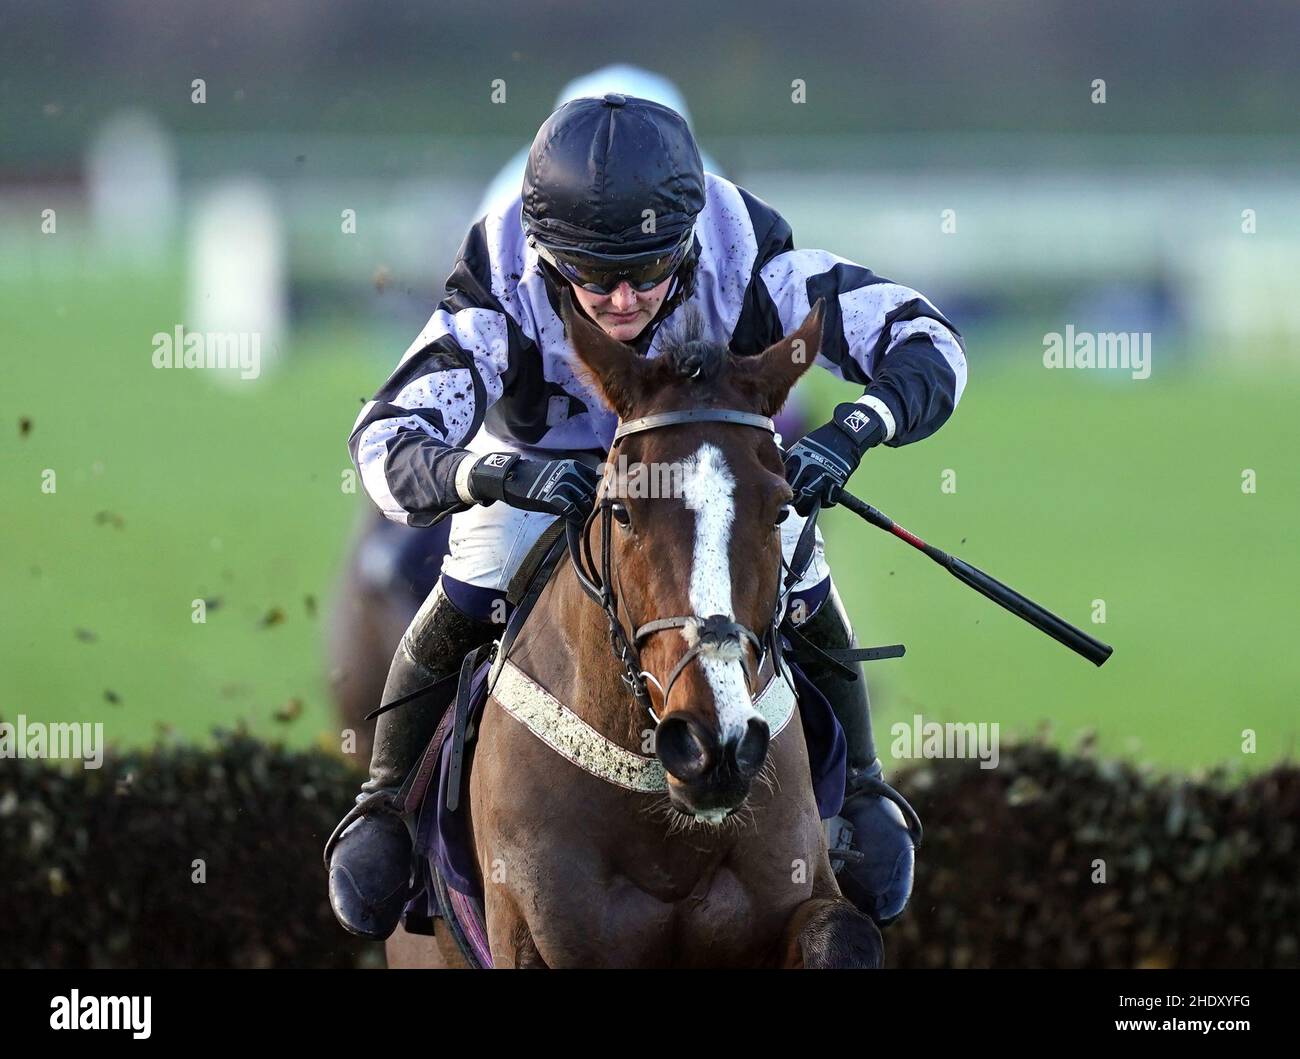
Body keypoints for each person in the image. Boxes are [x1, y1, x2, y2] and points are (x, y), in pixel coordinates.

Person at [327, 93, 967, 941]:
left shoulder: (745, 247)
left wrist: (853, 431)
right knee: (473, 573)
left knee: (798, 564)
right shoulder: (501, 270)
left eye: (649, 269)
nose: (623, 298)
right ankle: (385, 808)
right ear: (551, 254)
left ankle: (864, 792)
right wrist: (493, 472)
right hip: (545, 462)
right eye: (594, 276)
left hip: (693, 465)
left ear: (691, 239)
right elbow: (383, 441)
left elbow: (928, 341)